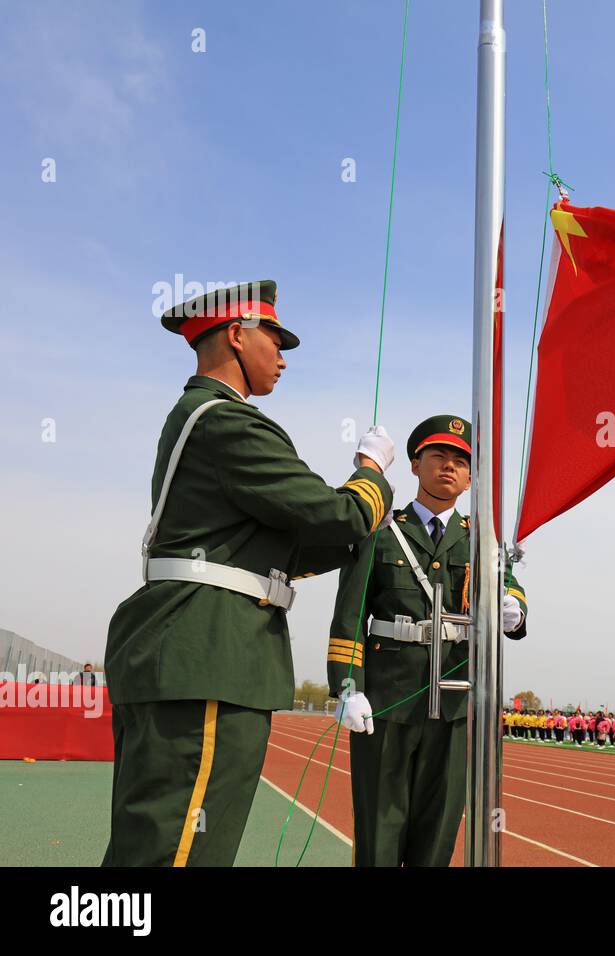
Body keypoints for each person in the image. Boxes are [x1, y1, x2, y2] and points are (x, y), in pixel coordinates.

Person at [103, 280, 395, 867]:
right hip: (209, 650)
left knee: (167, 841)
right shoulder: (229, 422)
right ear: (237, 334)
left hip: (193, 645)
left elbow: (284, 547)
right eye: (275, 341)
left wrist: (345, 535)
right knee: (178, 849)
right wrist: (372, 474)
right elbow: (337, 513)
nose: (283, 359)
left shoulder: (200, 418)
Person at [328, 415, 528, 866]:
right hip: (387, 701)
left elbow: (510, 590)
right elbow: (351, 611)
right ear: (415, 465)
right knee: (380, 827)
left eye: (461, 461)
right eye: (438, 456)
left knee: (438, 831)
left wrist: (514, 610)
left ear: (471, 477)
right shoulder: (381, 529)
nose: (449, 467)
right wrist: (347, 685)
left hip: (455, 705)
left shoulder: (482, 540)